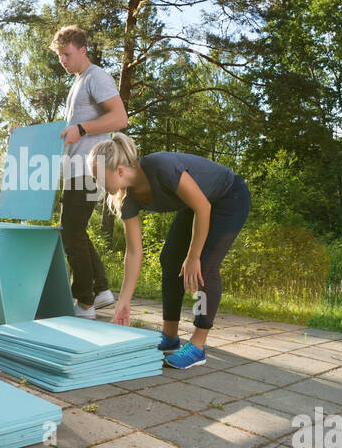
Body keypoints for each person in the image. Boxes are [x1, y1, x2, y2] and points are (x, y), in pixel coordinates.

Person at [90, 133, 252, 369]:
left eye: (98, 176)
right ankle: (170, 336)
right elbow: (134, 252)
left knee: (204, 265)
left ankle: (197, 345)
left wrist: (194, 256)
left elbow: (203, 207)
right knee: (170, 259)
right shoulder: (128, 201)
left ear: (120, 170)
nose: (97, 183)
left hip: (229, 196)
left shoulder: (160, 167)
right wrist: (124, 302)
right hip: (198, 204)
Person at [50, 25, 128, 318]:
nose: (63, 61)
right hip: (75, 169)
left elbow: (120, 118)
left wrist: (81, 129)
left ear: (83, 50)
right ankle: (101, 290)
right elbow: (70, 131)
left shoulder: (97, 77)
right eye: (60, 56)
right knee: (76, 231)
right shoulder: (78, 83)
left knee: (69, 232)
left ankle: (84, 303)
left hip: (89, 168)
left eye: (67, 54)